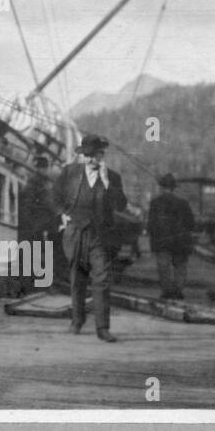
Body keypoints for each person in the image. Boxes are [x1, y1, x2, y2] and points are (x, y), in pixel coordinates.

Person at [55, 133, 128, 342]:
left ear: (101, 155)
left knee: (102, 279)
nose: (89, 160)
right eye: (85, 156)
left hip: (99, 236)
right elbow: (54, 196)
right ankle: (77, 320)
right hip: (75, 233)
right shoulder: (69, 173)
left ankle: (102, 328)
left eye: (93, 156)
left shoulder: (112, 178)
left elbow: (121, 205)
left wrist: (106, 183)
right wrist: (62, 213)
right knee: (77, 279)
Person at [147, 172, 196, 300]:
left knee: (164, 268)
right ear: (174, 188)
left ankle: (167, 292)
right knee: (180, 267)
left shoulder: (155, 203)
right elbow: (191, 223)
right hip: (181, 242)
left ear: (162, 187)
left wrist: (154, 241)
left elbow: (151, 225)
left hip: (163, 243)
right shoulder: (183, 203)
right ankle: (178, 292)